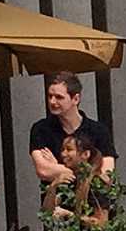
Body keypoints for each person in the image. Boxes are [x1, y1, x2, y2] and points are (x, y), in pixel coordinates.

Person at [30, 77, 115, 212]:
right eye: (50, 96)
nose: (52, 101)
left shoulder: (98, 130)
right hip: (57, 210)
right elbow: (43, 170)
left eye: (59, 97)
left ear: (75, 99)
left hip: (95, 210)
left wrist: (58, 167)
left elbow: (106, 175)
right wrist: (87, 170)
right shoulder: (41, 129)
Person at [47, 130, 112, 224]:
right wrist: (53, 187)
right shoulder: (69, 181)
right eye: (62, 150)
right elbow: (47, 213)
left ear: (85, 154)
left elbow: (101, 223)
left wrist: (69, 215)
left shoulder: (96, 183)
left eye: (69, 149)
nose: (63, 154)